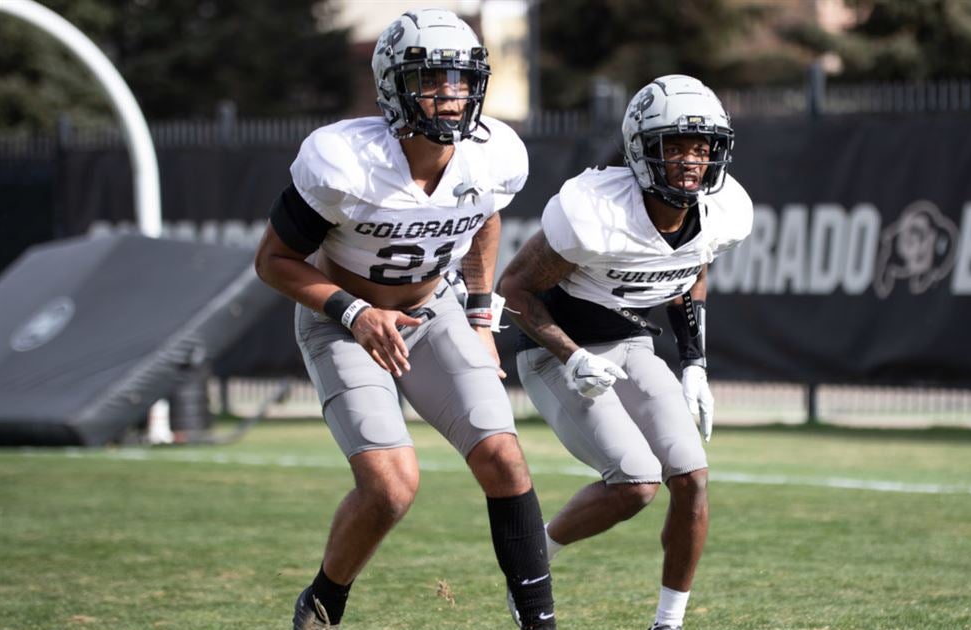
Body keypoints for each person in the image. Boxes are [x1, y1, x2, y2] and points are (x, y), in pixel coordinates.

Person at [253, 9, 556, 630]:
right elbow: (274, 261)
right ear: (393, 85)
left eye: (462, 79)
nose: (451, 94)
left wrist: (478, 310)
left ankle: (540, 623)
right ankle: (324, 601)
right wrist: (355, 312)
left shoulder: (492, 154)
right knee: (392, 486)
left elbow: (484, 215)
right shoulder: (346, 161)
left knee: (505, 459)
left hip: (433, 309)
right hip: (341, 317)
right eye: (432, 78)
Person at [497, 74, 753, 630]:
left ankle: (669, 622)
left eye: (702, 146)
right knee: (637, 482)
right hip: (554, 350)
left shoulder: (722, 210)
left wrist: (695, 364)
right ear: (642, 150)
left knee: (691, 477)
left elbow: (691, 268)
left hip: (632, 344)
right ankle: (532, 562)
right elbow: (512, 290)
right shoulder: (595, 210)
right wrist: (571, 356)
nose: (691, 160)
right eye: (675, 146)